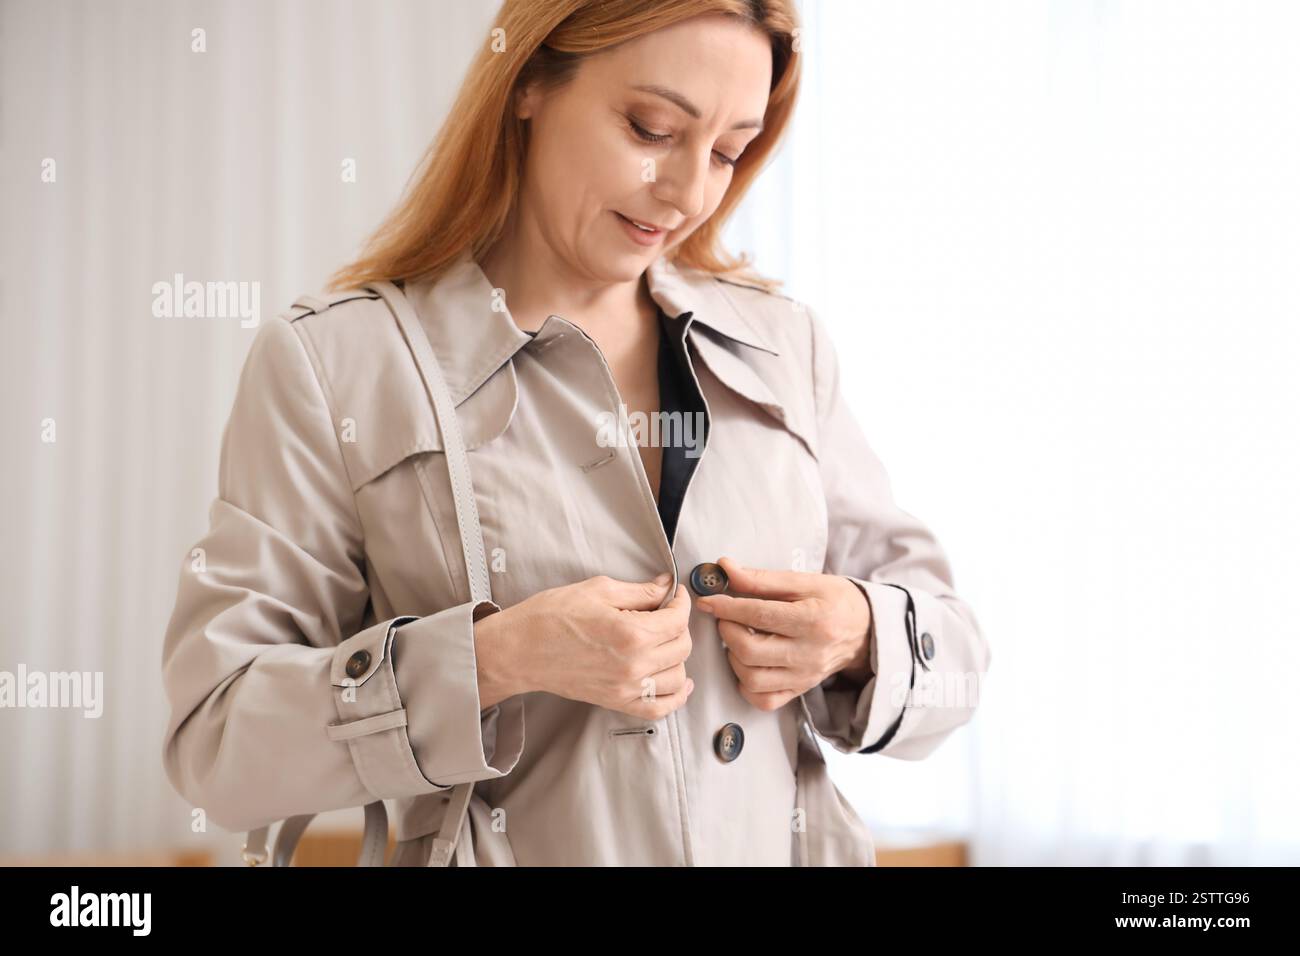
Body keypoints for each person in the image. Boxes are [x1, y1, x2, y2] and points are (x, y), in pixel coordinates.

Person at [161, 0, 990, 867]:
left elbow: (958, 658)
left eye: (727, 151)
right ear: (528, 83)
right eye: (651, 127)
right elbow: (217, 743)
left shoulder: (787, 348)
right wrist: (492, 660)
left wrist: (858, 631)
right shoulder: (333, 365)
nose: (690, 191)